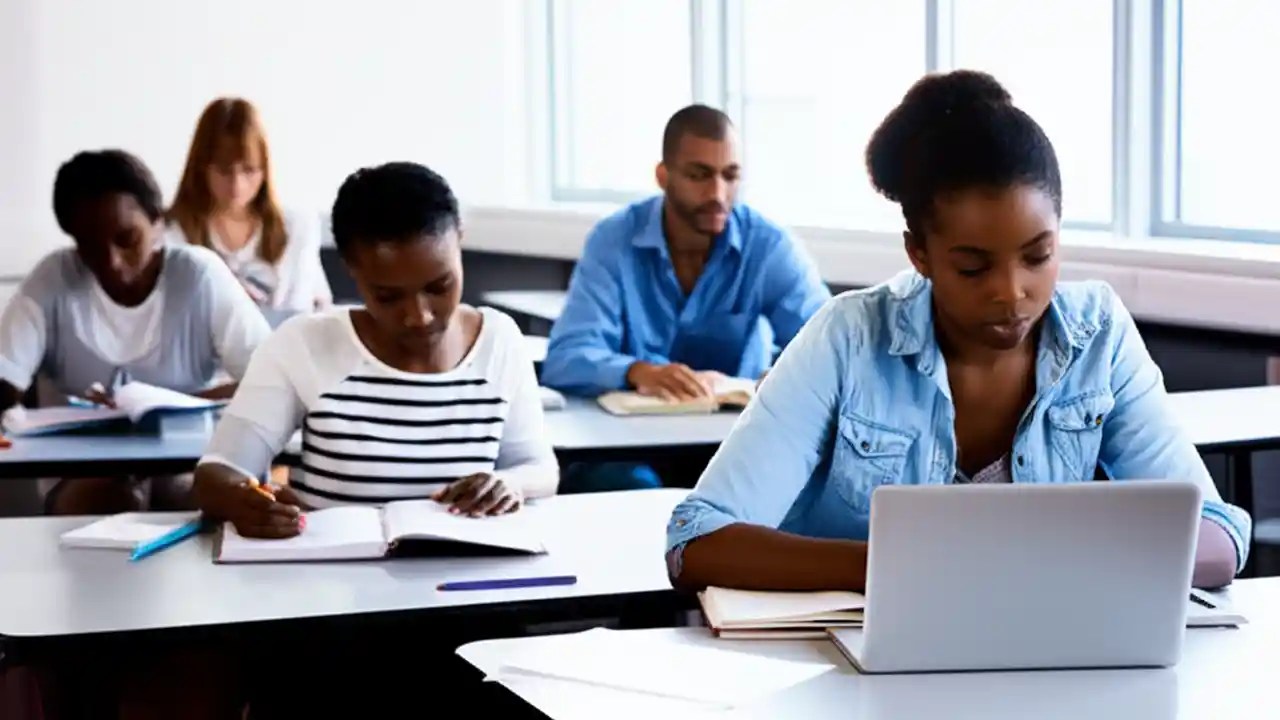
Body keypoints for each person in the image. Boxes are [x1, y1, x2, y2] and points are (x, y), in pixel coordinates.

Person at [665, 70, 1250, 593]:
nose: (1011, 291)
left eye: (1038, 256)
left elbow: (1220, 536)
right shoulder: (847, 339)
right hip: (843, 678)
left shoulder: (1098, 336)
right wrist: (912, 567)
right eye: (973, 267)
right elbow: (697, 543)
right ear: (919, 253)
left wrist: (1071, 565)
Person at [193, 161, 558, 539]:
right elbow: (217, 472)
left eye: (439, 285)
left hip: (462, 576)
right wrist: (243, 499)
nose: (419, 316)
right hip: (334, 582)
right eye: (388, 296)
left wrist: (511, 483)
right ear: (352, 268)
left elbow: (539, 467)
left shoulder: (498, 340)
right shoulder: (303, 344)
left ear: (459, 241)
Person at [541, 104, 830, 491]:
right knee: (634, 486)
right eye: (699, 175)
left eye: (731, 176)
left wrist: (781, 377)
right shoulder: (613, 241)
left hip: (732, 444)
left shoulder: (769, 246)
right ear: (663, 176)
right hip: (629, 447)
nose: (717, 193)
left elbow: (827, 345)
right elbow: (566, 358)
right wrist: (638, 371)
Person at [0, 149, 271, 515]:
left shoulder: (199, 277)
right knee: (114, 499)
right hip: (81, 472)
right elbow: (5, 380)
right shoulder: (54, 280)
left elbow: (271, 379)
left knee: (195, 499)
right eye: (90, 246)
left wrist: (169, 403)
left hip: (187, 461)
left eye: (126, 239)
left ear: (158, 222)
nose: (111, 261)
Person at [167, 97, 332, 317]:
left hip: (283, 347)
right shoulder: (173, 233)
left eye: (249, 171)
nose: (237, 185)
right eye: (224, 171)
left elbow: (306, 312)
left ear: (265, 169)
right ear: (202, 168)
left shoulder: (296, 229)